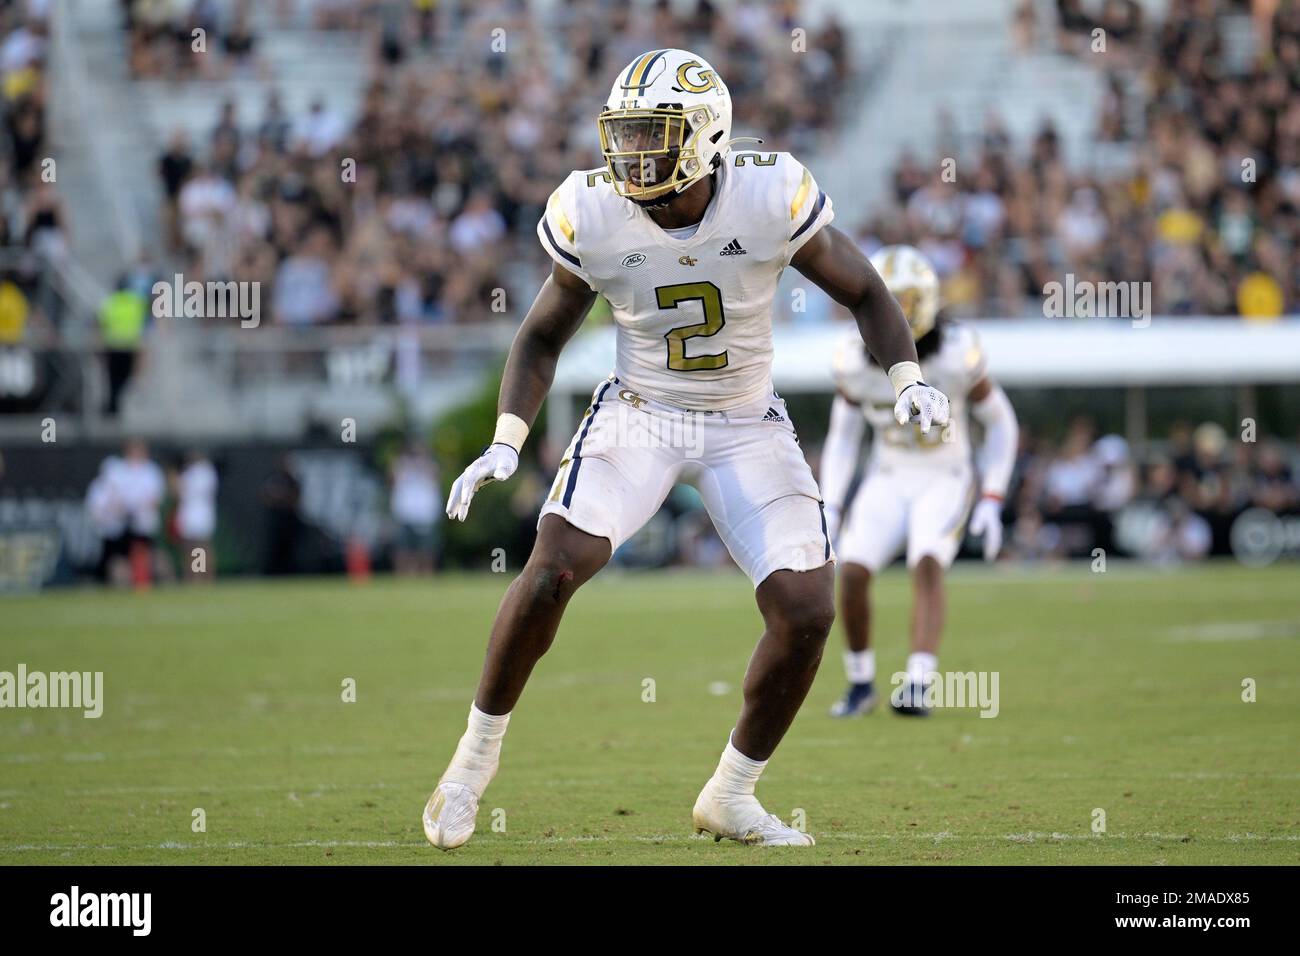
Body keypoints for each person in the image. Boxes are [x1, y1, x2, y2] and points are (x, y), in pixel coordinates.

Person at [424, 49, 952, 850]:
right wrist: (507, 439)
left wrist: (908, 378)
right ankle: (470, 764)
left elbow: (867, 291)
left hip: (746, 417)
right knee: (555, 563)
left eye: (653, 134)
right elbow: (540, 336)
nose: (632, 153)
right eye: (625, 133)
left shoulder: (771, 193)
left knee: (808, 611)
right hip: (642, 409)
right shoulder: (591, 209)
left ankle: (732, 794)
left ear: (707, 139)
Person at [820, 246, 1019, 717]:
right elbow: (844, 439)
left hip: (945, 473)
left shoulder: (955, 353)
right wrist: (830, 503)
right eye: (891, 299)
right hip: (888, 472)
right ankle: (860, 682)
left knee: (927, 560)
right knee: (851, 569)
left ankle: (918, 683)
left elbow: (1002, 424)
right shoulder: (851, 360)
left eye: (906, 300)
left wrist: (992, 496)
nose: (898, 311)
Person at [390, 441, 440, 575]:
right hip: (405, 511)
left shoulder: (429, 466)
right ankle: (404, 574)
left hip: (425, 513)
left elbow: (435, 477)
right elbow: (393, 480)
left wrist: (423, 465)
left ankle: (426, 574)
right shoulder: (402, 466)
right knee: (404, 548)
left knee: (426, 548)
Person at [175, 450, 218, 581]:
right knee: (190, 547)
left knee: (201, 547)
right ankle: (193, 576)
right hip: (188, 514)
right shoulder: (188, 473)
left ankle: (204, 576)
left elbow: (192, 492)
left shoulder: (205, 472)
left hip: (201, 515)